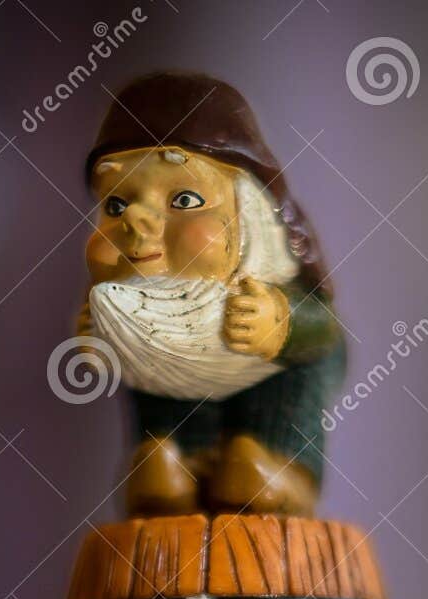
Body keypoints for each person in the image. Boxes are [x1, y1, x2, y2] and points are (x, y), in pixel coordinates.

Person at [77, 72, 345, 517]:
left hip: (268, 386)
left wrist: (281, 322)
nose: (135, 222)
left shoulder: (269, 285)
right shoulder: (131, 294)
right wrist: (100, 337)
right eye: (116, 205)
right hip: (173, 382)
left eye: (183, 200)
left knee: (287, 382)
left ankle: (276, 462)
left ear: (249, 211)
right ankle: (170, 458)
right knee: (155, 386)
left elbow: (327, 331)